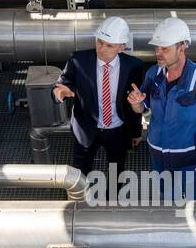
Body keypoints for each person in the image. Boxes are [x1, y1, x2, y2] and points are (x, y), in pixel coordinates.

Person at [127, 16, 196, 201]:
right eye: (157, 47)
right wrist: (136, 103)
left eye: (165, 48)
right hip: (158, 161)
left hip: (192, 164)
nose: (158, 53)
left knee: (192, 205)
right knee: (165, 202)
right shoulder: (153, 74)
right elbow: (142, 109)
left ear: (182, 47)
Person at [52, 17, 145, 188]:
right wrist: (60, 91)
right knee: (80, 171)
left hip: (118, 130)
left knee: (117, 170)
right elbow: (62, 84)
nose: (101, 49)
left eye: (109, 45)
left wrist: (136, 132)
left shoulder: (134, 66)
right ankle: (80, 201)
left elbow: (134, 102)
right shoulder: (78, 60)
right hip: (86, 129)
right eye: (99, 42)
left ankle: (113, 202)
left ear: (122, 46)